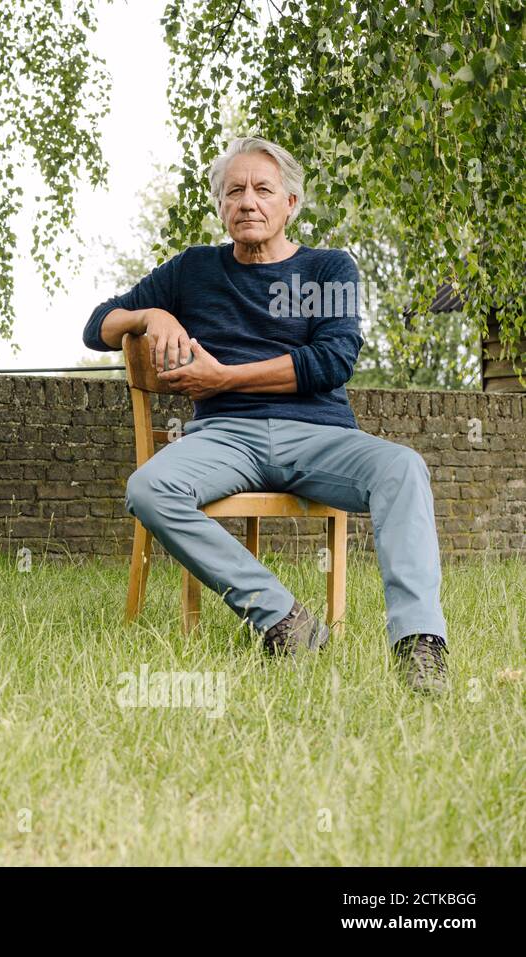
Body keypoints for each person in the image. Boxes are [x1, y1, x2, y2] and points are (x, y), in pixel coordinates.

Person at [84, 136, 449, 693]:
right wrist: (151, 312)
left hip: (319, 436)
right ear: (221, 206)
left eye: (262, 190)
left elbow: (333, 360)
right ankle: (282, 618)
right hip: (225, 437)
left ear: (290, 204)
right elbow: (97, 327)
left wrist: (224, 377)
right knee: (149, 488)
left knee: (403, 467)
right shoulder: (192, 270)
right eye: (234, 192)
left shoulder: (329, 268)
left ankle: (419, 644)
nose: (247, 202)